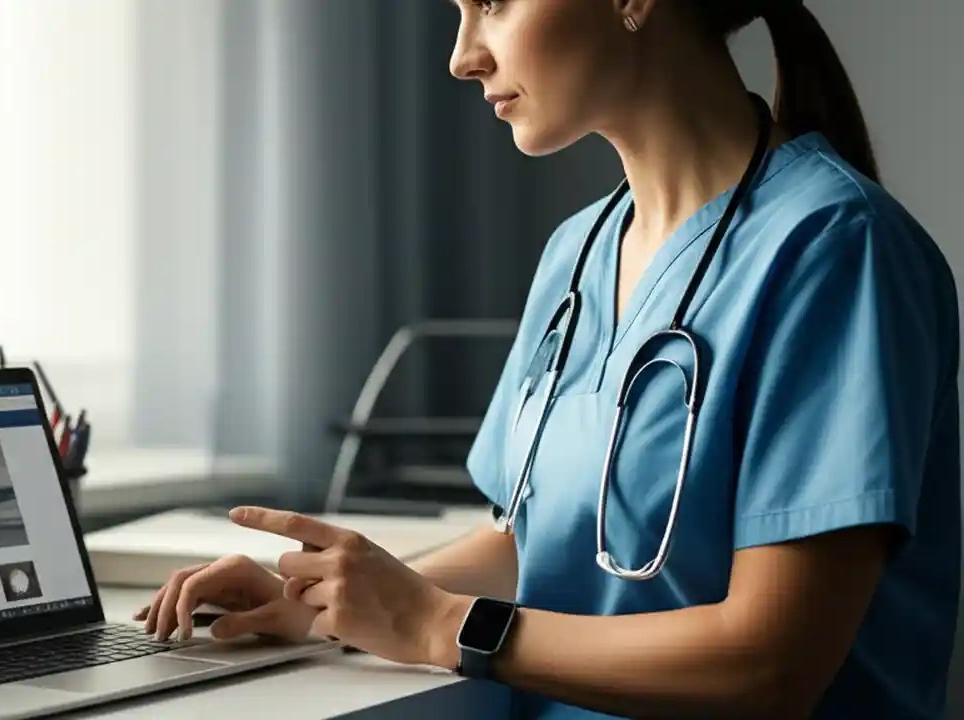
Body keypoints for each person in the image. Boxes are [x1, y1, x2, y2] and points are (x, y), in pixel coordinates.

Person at [136, 1, 960, 717]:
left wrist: (435, 625)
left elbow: (770, 665)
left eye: (492, 2)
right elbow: (538, 544)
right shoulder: (577, 252)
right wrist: (316, 600)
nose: (463, 56)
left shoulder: (835, 249)